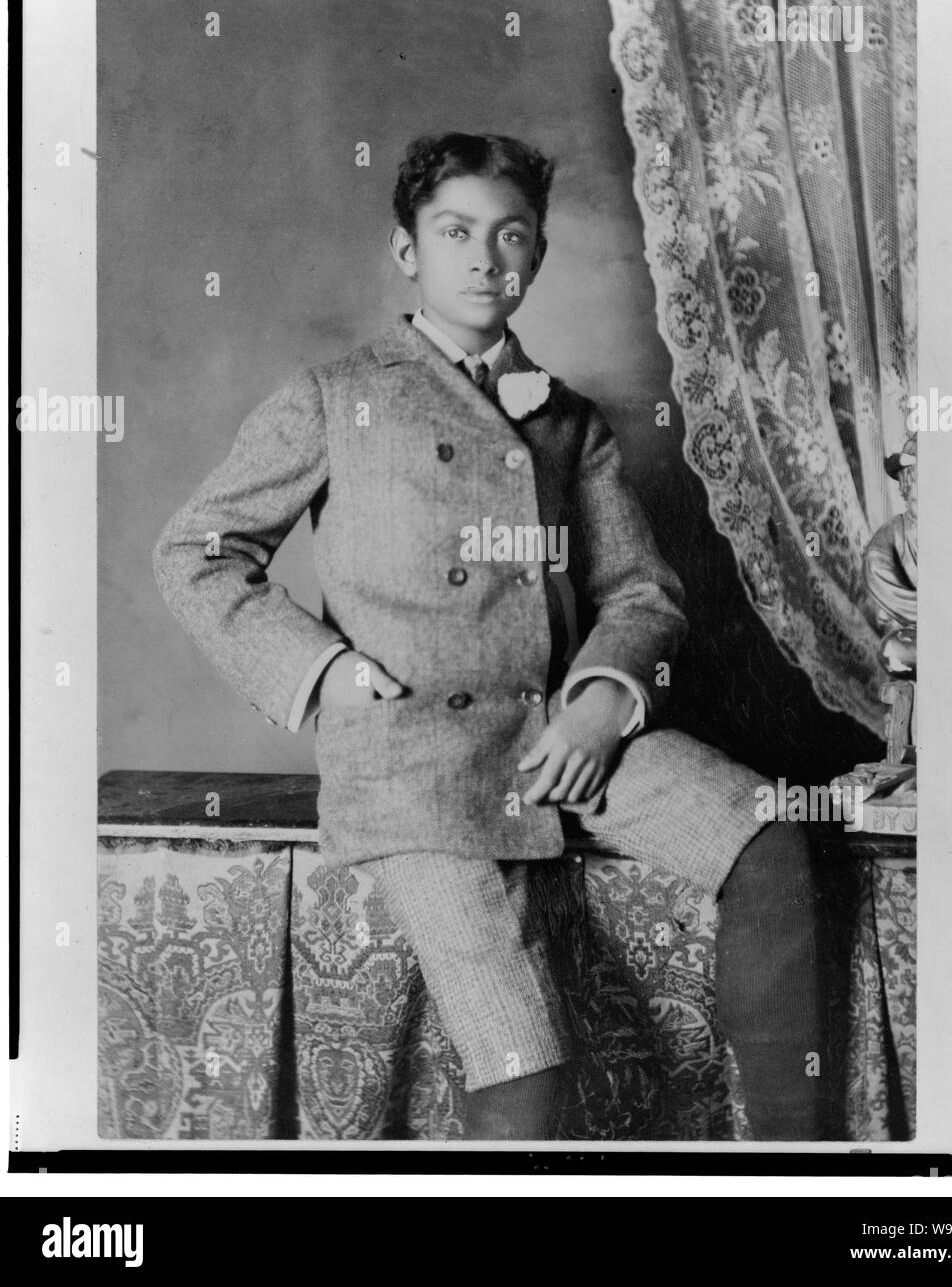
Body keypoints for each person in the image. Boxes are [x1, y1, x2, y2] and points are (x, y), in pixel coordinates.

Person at [154, 132, 825, 1141]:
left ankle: (791, 1163)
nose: (484, 258)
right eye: (455, 231)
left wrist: (603, 700)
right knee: (522, 1051)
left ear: (536, 257)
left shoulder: (568, 420)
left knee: (768, 834)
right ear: (406, 252)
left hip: (557, 738)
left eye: (510, 235)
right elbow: (195, 550)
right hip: (412, 764)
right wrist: (321, 669)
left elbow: (642, 593)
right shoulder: (335, 396)